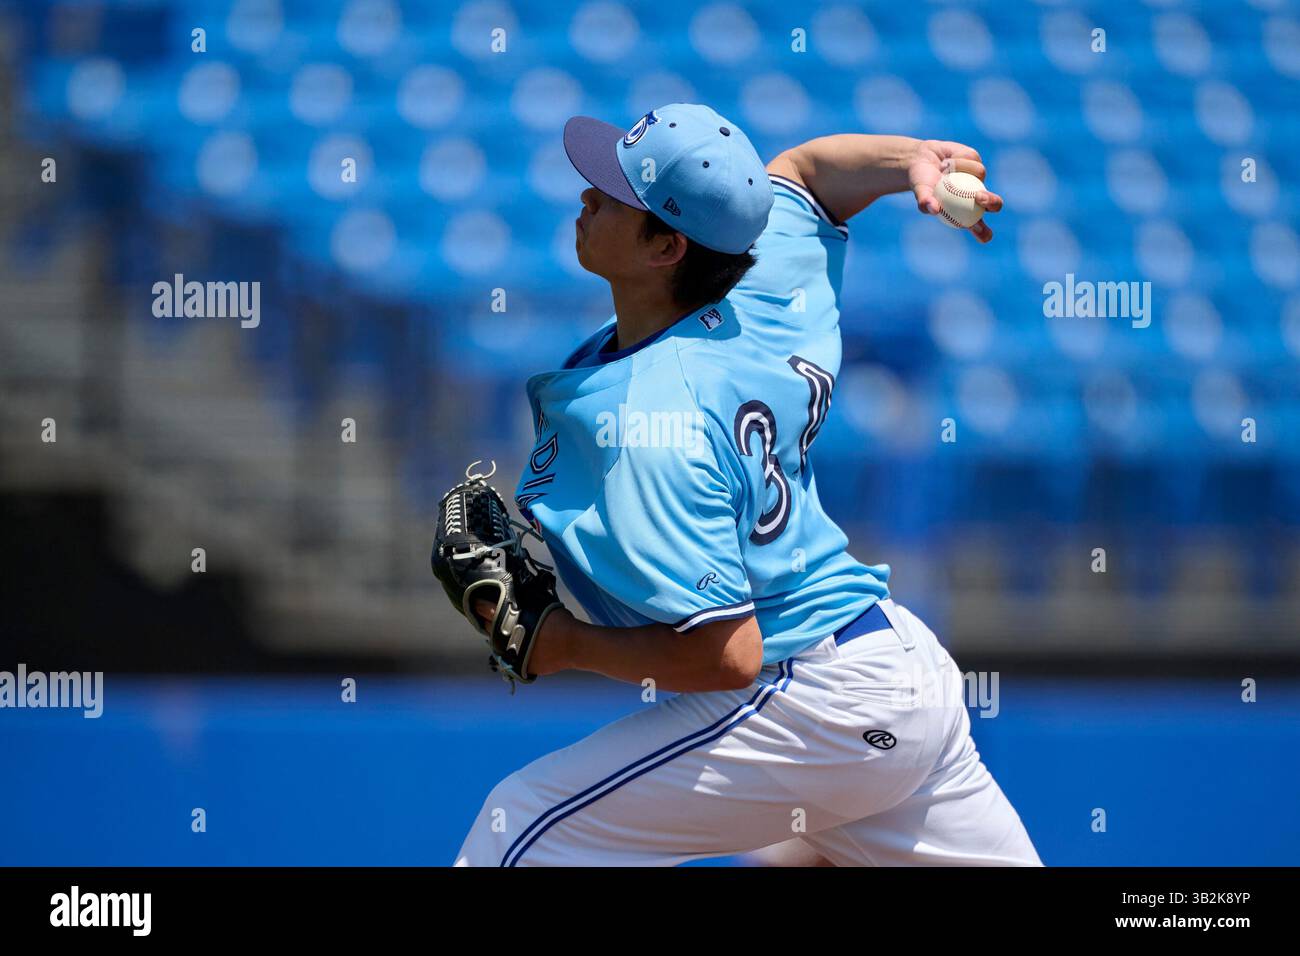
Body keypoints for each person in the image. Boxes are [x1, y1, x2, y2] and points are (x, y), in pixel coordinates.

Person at [453, 103, 1041, 866]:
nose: (586, 195)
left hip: (811, 704)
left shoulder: (652, 423)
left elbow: (726, 654)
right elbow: (805, 173)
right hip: (892, 668)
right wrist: (911, 159)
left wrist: (558, 645)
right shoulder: (762, 282)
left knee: (518, 828)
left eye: (613, 194)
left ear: (667, 245)